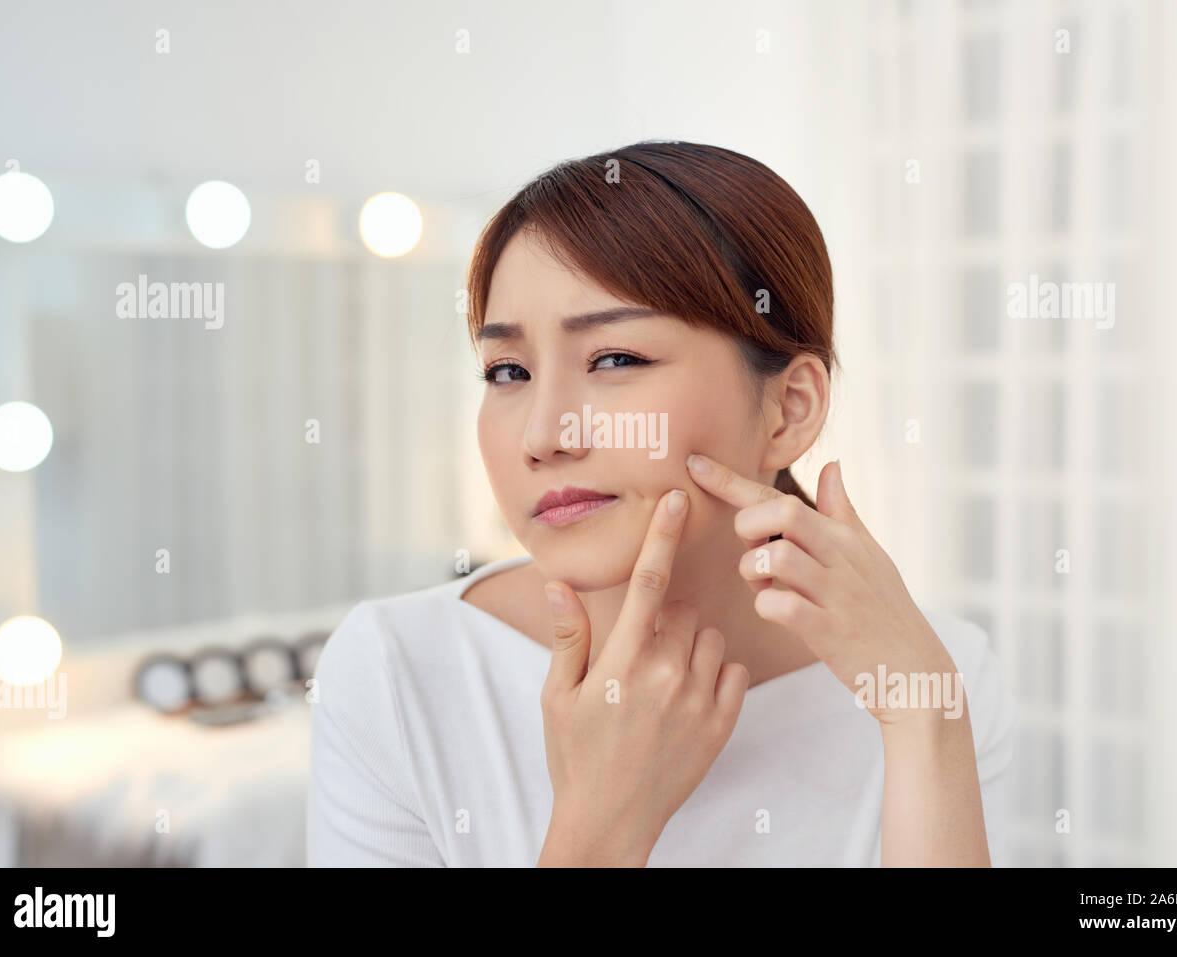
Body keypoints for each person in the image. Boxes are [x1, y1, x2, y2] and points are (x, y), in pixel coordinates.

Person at [307, 141, 1015, 867]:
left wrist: (925, 723)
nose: (544, 435)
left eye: (615, 359)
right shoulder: (396, 672)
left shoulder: (932, 672)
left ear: (788, 410)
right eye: (508, 370)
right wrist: (598, 827)